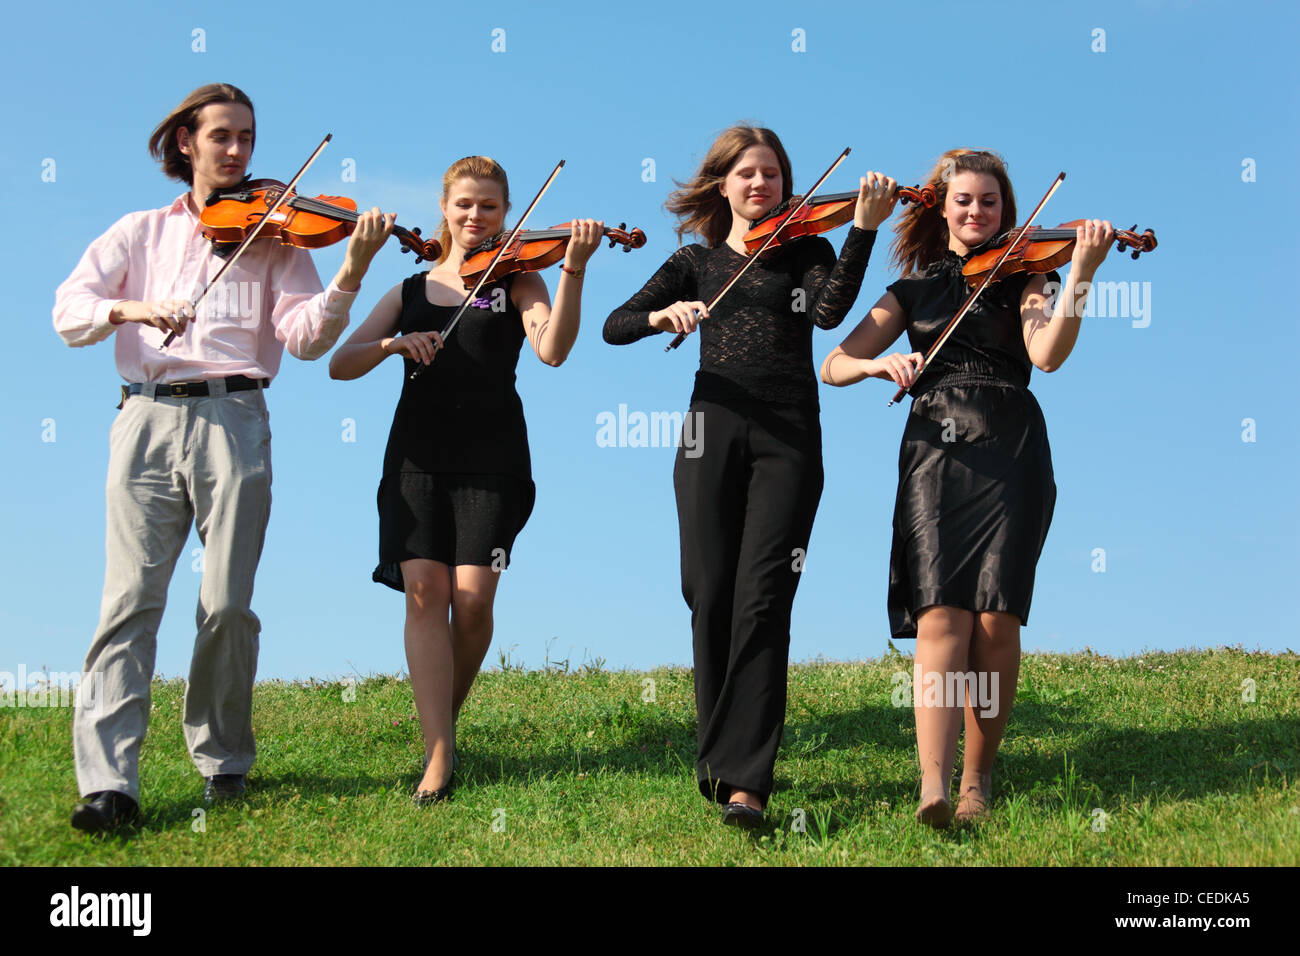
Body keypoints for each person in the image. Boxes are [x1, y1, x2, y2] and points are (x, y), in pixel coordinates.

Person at [52, 83, 393, 832]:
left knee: (228, 605)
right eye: (222, 137)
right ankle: (110, 784)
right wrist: (132, 309)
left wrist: (351, 270)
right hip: (143, 417)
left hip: (235, 418)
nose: (238, 151)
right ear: (186, 143)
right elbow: (68, 311)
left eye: (247, 137)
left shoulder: (275, 237)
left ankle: (223, 761)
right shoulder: (138, 232)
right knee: (128, 603)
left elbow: (305, 340)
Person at [603, 125, 896, 827]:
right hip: (712, 427)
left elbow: (829, 315)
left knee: (763, 598)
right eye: (746, 174)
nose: (759, 184)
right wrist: (657, 314)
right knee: (708, 591)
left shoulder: (808, 249)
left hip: (788, 432)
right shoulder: (695, 260)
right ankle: (717, 755)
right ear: (722, 184)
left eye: (771, 174)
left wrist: (861, 230)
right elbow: (613, 324)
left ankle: (747, 782)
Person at [820, 148, 1114, 827]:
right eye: (964, 200)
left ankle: (978, 781)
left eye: (989, 202)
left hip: (1010, 441)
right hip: (934, 447)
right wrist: (875, 367)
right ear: (942, 208)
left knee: (995, 617)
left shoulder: (1028, 276)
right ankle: (934, 785)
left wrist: (1085, 274)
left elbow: (1047, 354)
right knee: (940, 614)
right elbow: (834, 361)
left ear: (1007, 211)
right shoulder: (914, 288)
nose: (977, 211)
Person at [329, 156, 601, 805]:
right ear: (445, 208)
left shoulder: (519, 280)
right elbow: (341, 364)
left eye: (490, 207)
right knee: (425, 592)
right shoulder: (410, 290)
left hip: (493, 453)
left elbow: (554, 349)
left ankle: (438, 725)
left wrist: (576, 268)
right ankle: (440, 754)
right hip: (416, 455)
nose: (476, 217)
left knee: (473, 599)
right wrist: (395, 345)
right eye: (465, 205)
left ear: (507, 214)